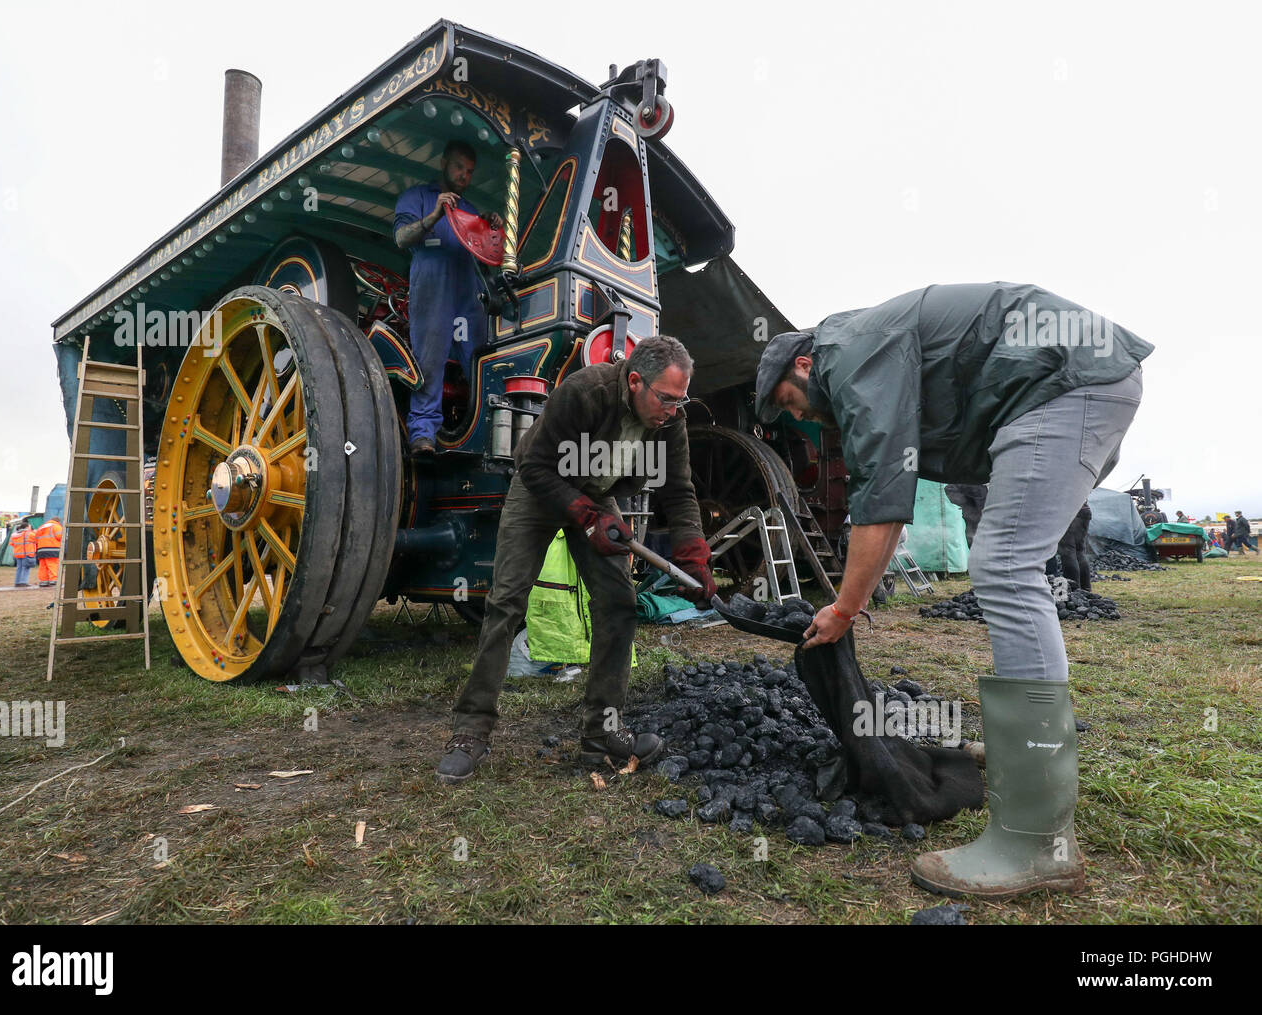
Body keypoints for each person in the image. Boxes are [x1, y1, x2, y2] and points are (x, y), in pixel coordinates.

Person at [754, 282, 1153, 899]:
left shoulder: (850, 354)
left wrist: (844, 609)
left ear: (803, 364)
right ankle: (1027, 752)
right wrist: (849, 604)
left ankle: (1037, 836)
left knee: (1005, 568)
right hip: (1062, 388)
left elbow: (880, 498)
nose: (801, 417)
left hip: (1064, 384)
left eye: (792, 403)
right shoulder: (863, 349)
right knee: (1006, 563)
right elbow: (894, 498)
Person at [436, 336, 715, 784]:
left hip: (597, 495)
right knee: (507, 602)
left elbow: (679, 491)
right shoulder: (585, 392)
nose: (672, 410)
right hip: (541, 488)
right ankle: (472, 729)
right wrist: (585, 518)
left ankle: (601, 735)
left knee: (619, 606)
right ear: (635, 382)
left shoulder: (669, 420)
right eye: (666, 399)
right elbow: (536, 467)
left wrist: (692, 553)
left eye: (681, 401)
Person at [393, 140, 503, 457]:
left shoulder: (468, 209)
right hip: (432, 280)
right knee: (430, 355)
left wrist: (489, 228)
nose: (464, 176)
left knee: (479, 357)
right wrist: (434, 215)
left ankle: (482, 429)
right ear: (443, 163)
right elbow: (401, 238)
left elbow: (488, 254)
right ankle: (423, 433)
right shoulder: (418, 196)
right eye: (458, 167)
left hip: (467, 288)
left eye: (469, 172)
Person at [1057, 503, 1092, 591]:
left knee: (1067, 551)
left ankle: (1074, 590)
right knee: (1079, 551)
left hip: (1069, 512)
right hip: (1085, 510)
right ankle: (1086, 589)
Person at [35, 515, 64, 587]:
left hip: (41, 550)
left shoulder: (41, 527)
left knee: (43, 566)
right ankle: (53, 580)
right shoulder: (56, 526)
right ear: (58, 521)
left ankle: (43, 581)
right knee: (53, 565)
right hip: (52, 549)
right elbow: (60, 537)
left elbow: (35, 539)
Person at [11, 522, 37, 587]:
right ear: (27, 527)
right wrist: (34, 531)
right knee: (26, 568)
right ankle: (23, 582)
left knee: (19, 568)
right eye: (30, 527)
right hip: (27, 553)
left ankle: (17, 582)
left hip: (18, 554)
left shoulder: (14, 535)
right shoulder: (29, 534)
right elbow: (37, 539)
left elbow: (12, 544)